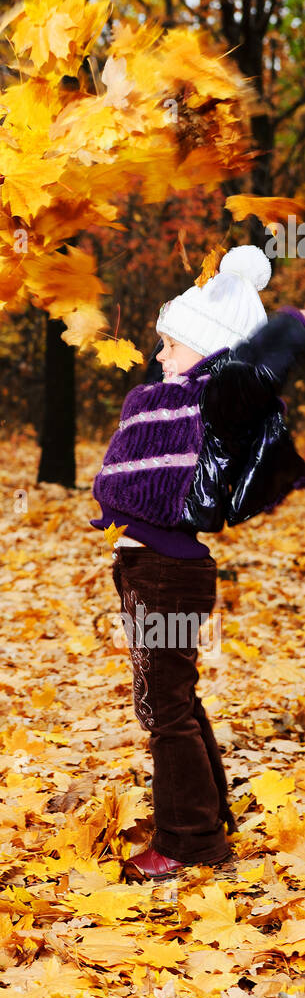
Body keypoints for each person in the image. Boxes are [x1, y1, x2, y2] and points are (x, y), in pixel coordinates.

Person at [89, 244, 305, 880]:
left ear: (211, 350)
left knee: (166, 709)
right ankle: (209, 819)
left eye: (170, 343)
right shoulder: (166, 400)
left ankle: (188, 840)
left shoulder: (221, 399)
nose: (159, 354)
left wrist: (277, 325)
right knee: (173, 700)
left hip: (168, 576)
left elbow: (276, 347)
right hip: (145, 573)